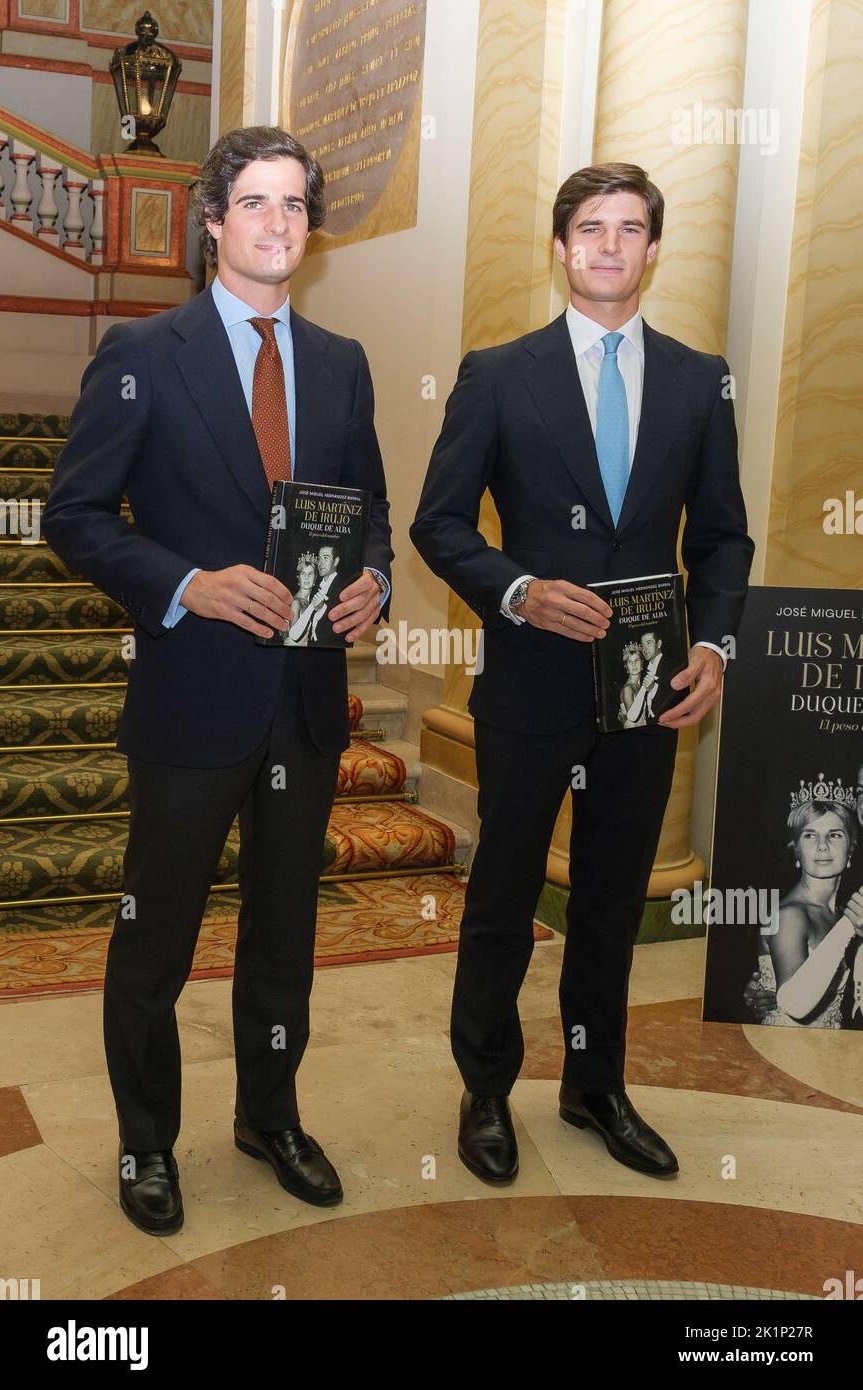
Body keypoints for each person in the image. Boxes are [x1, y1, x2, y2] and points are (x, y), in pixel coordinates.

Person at [41, 126, 393, 1235]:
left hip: (304, 697)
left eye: (294, 204)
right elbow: (74, 517)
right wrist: (186, 581)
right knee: (157, 933)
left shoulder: (339, 361)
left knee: (284, 933)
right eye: (254, 202)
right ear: (211, 222)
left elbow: (369, 510)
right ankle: (147, 1140)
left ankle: (269, 1115)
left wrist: (374, 579)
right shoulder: (145, 348)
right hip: (192, 697)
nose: (277, 223)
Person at [411, 162, 754, 1183]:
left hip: (648, 689)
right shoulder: (497, 372)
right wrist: (517, 590)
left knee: (608, 896)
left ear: (652, 250)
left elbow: (724, 537)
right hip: (528, 680)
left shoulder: (700, 381)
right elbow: (436, 522)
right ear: (559, 248)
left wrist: (713, 643)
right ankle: (483, 1086)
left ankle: (593, 1084)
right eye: (589, 228)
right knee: (503, 891)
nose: (608, 244)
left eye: (629, 228)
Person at [747, 782, 863, 1028]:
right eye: (810, 835)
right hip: (787, 1049)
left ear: (850, 848)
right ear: (796, 850)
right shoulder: (790, 916)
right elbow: (795, 1005)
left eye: (835, 834)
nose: (823, 846)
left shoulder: (840, 912)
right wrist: (849, 925)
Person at [618, 642, 646, 728]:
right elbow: (633, 717)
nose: (633, 665)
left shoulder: (641, 685)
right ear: (626, 667)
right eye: (630, 662)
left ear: (642, 665)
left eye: (636, 660)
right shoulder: (628, 688)